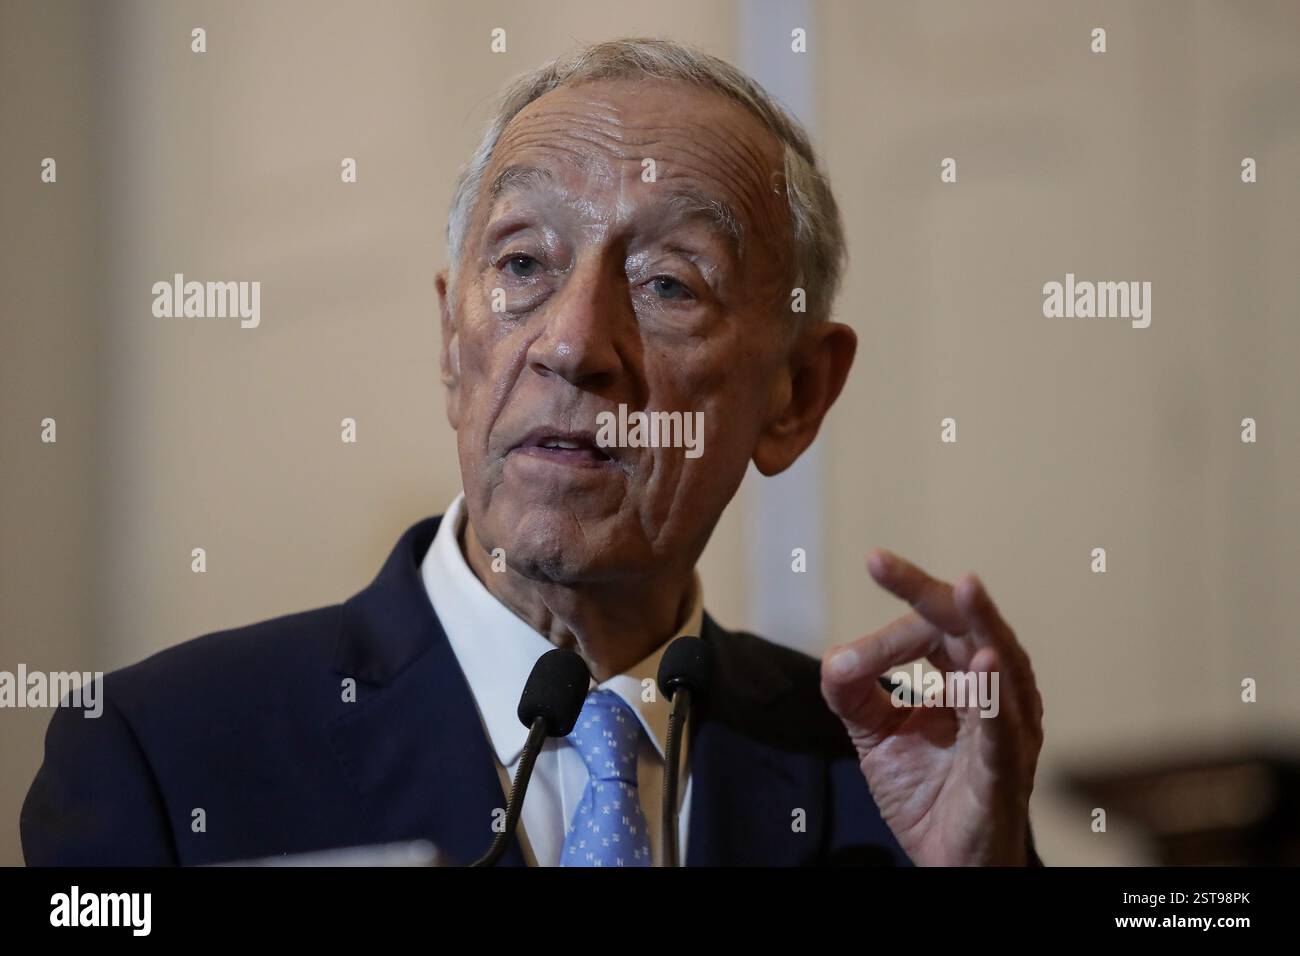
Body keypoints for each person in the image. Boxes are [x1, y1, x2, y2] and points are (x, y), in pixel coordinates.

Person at [22, 38, 1043, 867]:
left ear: (795, 395)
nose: (570, 342)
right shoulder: (162, 753)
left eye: (670, 283)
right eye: (522, 262)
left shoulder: (879, 780)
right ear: (449, 341)